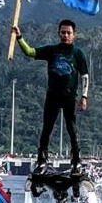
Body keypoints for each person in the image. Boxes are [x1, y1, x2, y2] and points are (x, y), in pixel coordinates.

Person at [13, 20, 89, 176]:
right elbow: (30, 52)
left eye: (68, 33)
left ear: (73, 35)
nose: (65, 35)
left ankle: (76, 162)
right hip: (52, 96)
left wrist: (84, 96)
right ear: (58, 33)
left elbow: (85, 76)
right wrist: (19, 36)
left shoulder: (78, 54)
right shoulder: (52, 51)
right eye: (63, 32)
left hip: (69, 97)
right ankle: (41, 162)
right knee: (46, 129)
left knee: (71, 130)